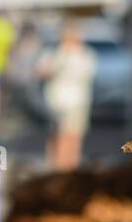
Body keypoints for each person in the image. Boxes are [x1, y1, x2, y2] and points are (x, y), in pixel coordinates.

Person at [37, 24, 96, 172]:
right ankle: (59, 168)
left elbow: (87, 74)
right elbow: (41, 71)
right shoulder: (56, 53)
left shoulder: (84, 54)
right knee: (60, 136)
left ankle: (69, 167)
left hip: (77, 102)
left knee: (73, 136)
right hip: (58, 102)